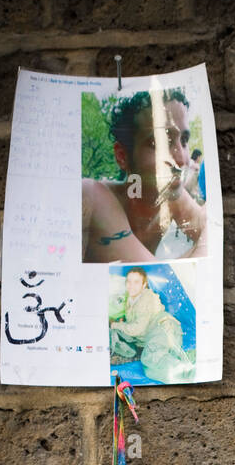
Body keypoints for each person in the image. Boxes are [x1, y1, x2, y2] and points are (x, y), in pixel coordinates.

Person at [83, 89, 208, 264]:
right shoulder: (92, 196)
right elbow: (150, 280)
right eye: (160, 142)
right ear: (122, 156)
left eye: (184, 141)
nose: (182, 159)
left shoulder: (173, 199)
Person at [109, 268, 193, 382]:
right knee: (163, 357)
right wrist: (121, 324)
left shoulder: (146, 298)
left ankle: (190, 374)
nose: (131, 285)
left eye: (136, 282)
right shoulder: (131, 299)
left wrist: (115, 325)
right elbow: (137, 324)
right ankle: (186, 363)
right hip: (158, 334)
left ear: (144, 285)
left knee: (151, 359)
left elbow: (137, 328)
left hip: (164, 327)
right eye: (129, 281)